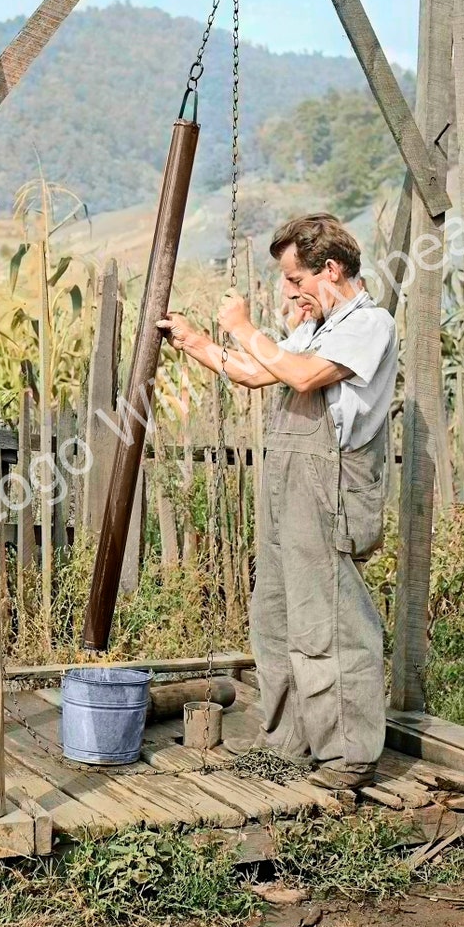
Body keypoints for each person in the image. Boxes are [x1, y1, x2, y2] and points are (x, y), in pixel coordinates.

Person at [157, 213, 398, 789]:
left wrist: (243, 327)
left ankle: (347, 755)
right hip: (289, 481)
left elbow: (302, 377)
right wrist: (196, 342)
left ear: (331, 270)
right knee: (277, 615)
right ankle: (289, 742)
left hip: (329, 486)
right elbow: (253, 372)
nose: (288, 292)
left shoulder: (370, 324)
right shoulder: (316, 324)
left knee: (330, 622)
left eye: (294, 281)